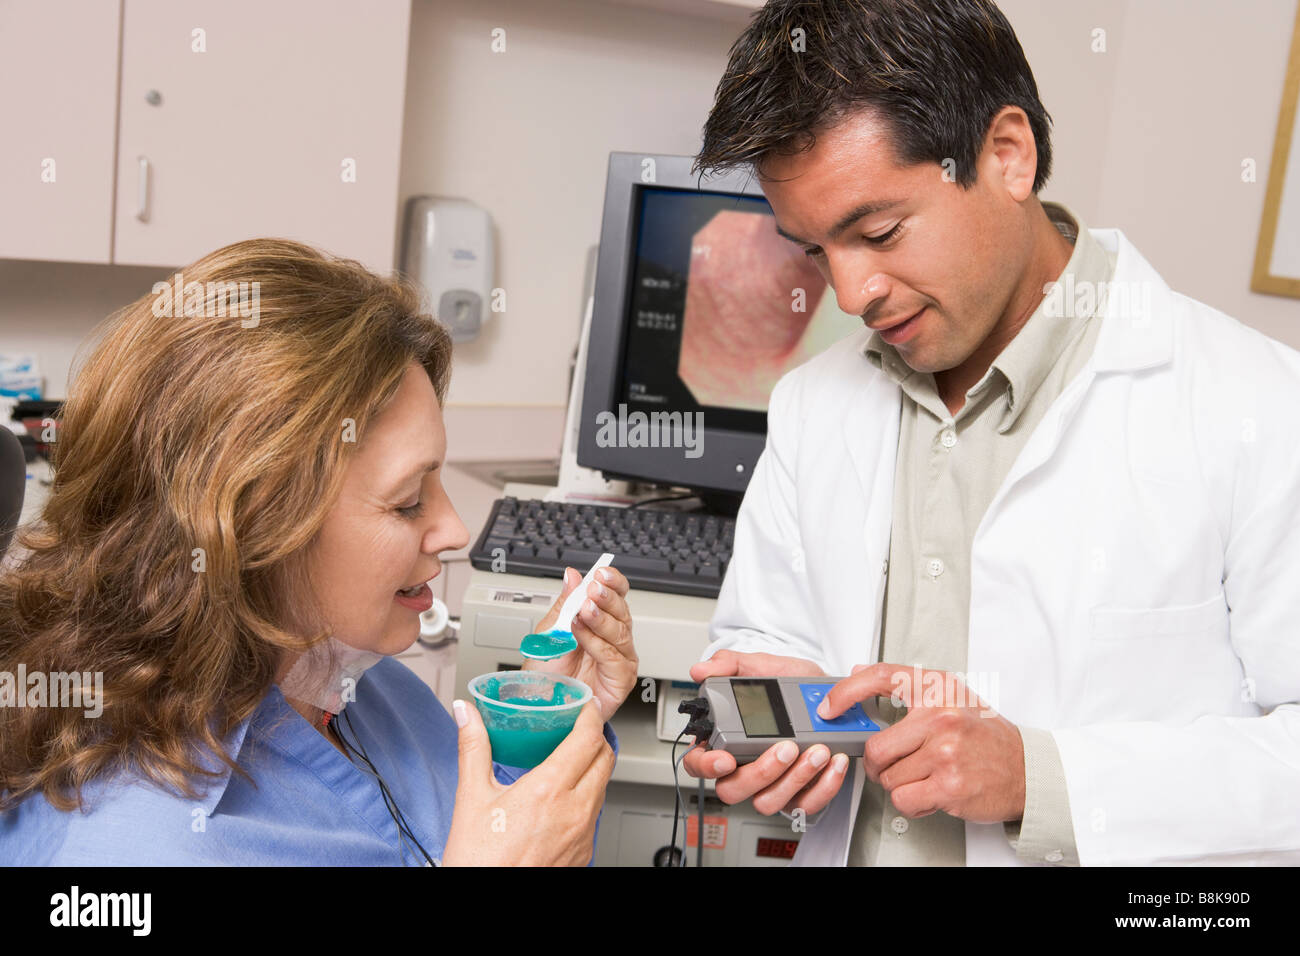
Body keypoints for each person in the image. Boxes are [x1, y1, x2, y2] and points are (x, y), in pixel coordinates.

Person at [683, 0, 1300, 866]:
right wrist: (773, 715)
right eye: (816, 251)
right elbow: (771, 641)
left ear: (1008, 154)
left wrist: (1040, 776)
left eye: (879, 232)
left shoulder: (1260, 407)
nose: (852, 294)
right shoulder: (812, 404)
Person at [0, 239, 638, 865]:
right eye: (409, 499)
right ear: (255, 528)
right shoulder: (134, 849)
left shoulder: (361, 684)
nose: (454, 531)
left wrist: (540, 712)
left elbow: (474, 832)